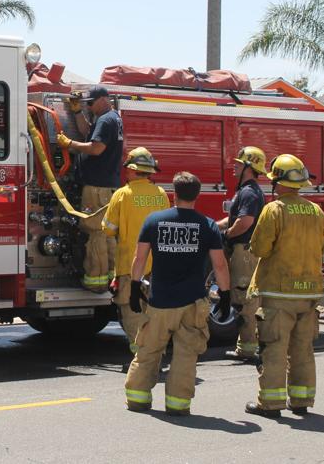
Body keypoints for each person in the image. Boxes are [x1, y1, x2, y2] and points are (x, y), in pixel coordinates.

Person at [124, 171, 231, 416]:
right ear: (198, 195)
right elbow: (220, 265)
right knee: (185, 355)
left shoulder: (154, 221)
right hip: (192, 303)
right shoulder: (208, 225)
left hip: (159, 302)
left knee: (149, 351)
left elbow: (139, 258)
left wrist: (133, 287)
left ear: (174, 194)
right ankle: (177, 404)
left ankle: (138, 399)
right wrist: (225, 295)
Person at [245, 154, 324, 419]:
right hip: (310, 292)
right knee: (303, 349)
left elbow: (260, 248)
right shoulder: (317, 211)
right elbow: (321, 247)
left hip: (279, 293)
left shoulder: (275, 209)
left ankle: (271, 404)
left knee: (274, 348)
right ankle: (301, 401)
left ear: (277, 180)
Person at [102, 147, 170, 356]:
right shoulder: (161, 195)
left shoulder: (122, 195)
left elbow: (109, 229)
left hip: (130, 264)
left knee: (130, 309)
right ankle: (155, 347)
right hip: (158, 265)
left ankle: (141, 351)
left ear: (132, 170)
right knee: (154, 309)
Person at [56, 86, 124, 291]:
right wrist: (77, 112)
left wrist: (69, 144)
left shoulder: (105, 120)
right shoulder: (110, 118)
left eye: (91, 103)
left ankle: (96, 281)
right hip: (105, 186)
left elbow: (96, 148)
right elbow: (89, 134)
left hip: (97, 188)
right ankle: (111, 276)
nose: (90, 107)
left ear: (104, 99)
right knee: (106, 233)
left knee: (96, 233)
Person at [216, 146, 267, 361]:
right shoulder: (247, 191)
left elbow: (244, 222)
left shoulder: (249, 192)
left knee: (246, 301)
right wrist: (212, 226)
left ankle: (248, 349)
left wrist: (226, 235)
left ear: (249, 167)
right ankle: (245, 346)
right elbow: (235, 218)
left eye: (239, 163)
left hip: (244, 253)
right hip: (244, 252)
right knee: (243, 299)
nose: (234, 166)